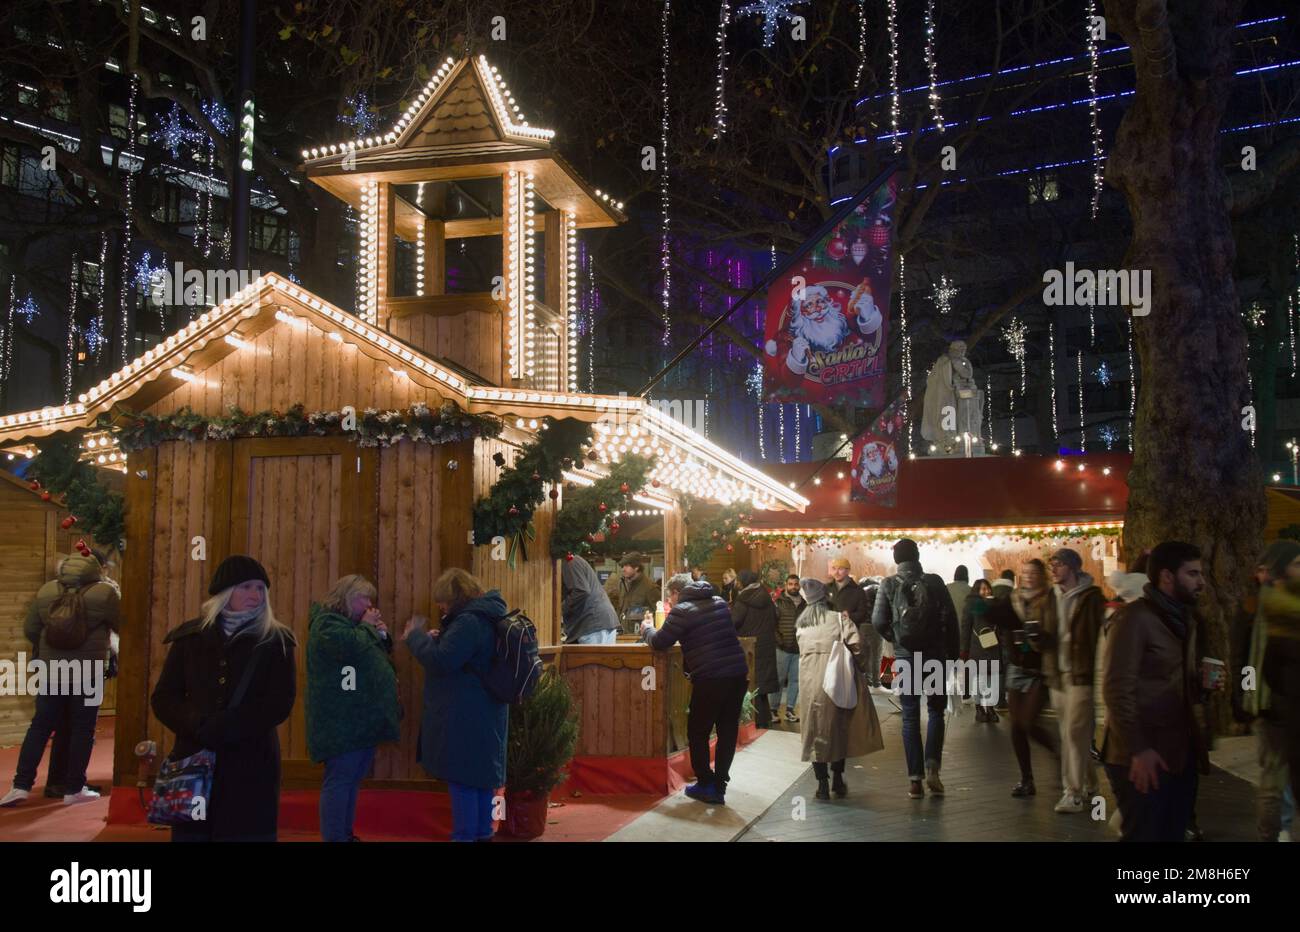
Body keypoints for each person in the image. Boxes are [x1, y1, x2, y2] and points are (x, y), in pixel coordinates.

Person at [150, 555, 296, 841]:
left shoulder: (277, 641)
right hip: (195, 759)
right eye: (245, 587)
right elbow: (164, 697)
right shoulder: (189, 637)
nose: (255, 595)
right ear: (225, 592)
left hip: (251, 765)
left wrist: (231, 725)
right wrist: (197, 723)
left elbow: (279, 703)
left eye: (260, 588)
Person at [1101, 541, 1212, 842]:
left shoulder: (1184, 618)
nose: (1201, 582)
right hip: (1139, 754)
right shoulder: (1134, 618)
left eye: (1200, 574)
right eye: (1192, 574)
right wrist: (1139, 749)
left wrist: (1201, 684)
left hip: (1177, 750)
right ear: (1167, 577)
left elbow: (1172, 679)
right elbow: (1116, 688)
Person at [1, 553, 120, 808]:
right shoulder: (105, 593)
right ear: (95, 569)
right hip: (87, 672)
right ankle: (73, 789)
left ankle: (20, 785)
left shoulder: (46, 590)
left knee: (40, 726)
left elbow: (31, 629)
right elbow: (123, 625)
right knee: (82, 729)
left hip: (51, 669)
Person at [403, 569, 507, 842]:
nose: (441, 606)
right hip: (486, 708)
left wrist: (416, 637)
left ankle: (464, 836)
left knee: (462, 780)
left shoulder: (469, 622)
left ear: (457, 597)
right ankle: (483, 834)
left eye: (444, 602)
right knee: (482, 780)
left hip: (465, 711)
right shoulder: (488, 614)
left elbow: (442, 662)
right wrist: (442, 639)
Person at [306, 574, 399, 842]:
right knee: (340, 781)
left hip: (357, 720)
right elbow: (349, 648)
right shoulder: (327, 625)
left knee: (351, 780)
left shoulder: (352, 625)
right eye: (363, 598)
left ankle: (345, 835)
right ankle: (335, 837)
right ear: (346, 597)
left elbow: (368, 656)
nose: (369, 605)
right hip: (340, 722)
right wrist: (369, 628)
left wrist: (381, 635)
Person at [642, 574, 748, 805]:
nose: (669, 602)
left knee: (698, 731)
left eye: (670, 597)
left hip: (711, 677)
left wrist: (646, 629)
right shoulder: (719, 602)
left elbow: (660, 641)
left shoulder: (682, 610)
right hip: (737, 673)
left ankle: (705, 784)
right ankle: (719, 786)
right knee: (727, 731)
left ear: (677, 593)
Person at [872, 538, 959, 799]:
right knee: (935, 710)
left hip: (906, 658)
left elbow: (878, 621)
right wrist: (952, 655)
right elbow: (951, 619)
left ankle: (914, 780)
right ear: (918, 555)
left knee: (910, 716)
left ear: (897, 559)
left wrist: (897, 638)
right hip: (934, 657)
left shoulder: (888, 584)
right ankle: (933, 766)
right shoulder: (934, 582)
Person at [795, 578, 884, 799]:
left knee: (815, 731)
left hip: (808, 685)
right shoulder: (839, 620)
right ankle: (837, 779)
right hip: (836, 681)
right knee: (838, 728)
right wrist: (861, 668)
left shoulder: (801, 626)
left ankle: (821, 785)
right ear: (826, 599)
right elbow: (858, 646)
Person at [1042, 548, 1105, 814]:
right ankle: (1091, 782)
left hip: (1082, 674)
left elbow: (1098, 637)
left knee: (1074, 733)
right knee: (1072, 734)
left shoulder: (1092, 598)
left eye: (1059, 564)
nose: (1054, 569)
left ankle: (1073, 793)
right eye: (1052, 565)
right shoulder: (1051, 597)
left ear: (1073, 567)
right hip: (1058, 674)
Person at [996, 559, 1058, 798]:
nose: (1029, 576)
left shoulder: (1051, 599)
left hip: (1040, 667)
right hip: (1017, 665)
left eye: (1033, 572)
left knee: (1028, 722)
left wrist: (1042, 637)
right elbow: (1002, 624)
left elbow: (1058, 631)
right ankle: (1026, 778)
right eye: (1025, 573)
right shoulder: (1014, 599)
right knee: (1016, 726)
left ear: (1042, 575)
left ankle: (1056, 753)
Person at [1258, 540, 1300, 823]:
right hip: (1282, 706)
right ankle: (1277, 830)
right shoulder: (1266, 608)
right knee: (1277, 779)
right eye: (1297, 564)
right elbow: (1263, 662)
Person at [732, 570, 779, 728]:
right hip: (766, 645)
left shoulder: (743, 599)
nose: (736, 583)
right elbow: (775, 617)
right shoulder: (765, 597)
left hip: (749, 646)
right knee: (761, 685)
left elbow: (734, 621)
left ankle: (752, 721)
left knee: (751, 683)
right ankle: (764, 719)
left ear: (743, 581)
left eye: (738, 580)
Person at [829, 557, 882, 688]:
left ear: (847, 571)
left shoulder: (858, 591)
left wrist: (850, 615)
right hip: (830, 634)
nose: (837, 572)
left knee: (850, 668)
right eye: (834, 568)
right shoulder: (826, 589)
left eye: (840, 569)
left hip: (850, 635)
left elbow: (863, 613)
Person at [959, 578, 1001, 723]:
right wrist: (964, 651)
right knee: (978, 680)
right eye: (982, 589)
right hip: (976, 648)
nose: (986, 591)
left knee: (991, 679)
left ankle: (990, 707)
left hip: (993, 647)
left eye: (988, 588)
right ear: (976, 591)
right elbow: (965, 628)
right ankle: (979, 709)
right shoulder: (971, 606)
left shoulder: (996, 604)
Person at [561, 555, 621, 645]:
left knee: (593, 659)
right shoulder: (573, 561)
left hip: (592, 624)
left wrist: (560, 608)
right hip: (602, 622)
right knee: (603, 659)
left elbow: (581, 591)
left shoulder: (569, 561)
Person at [773, 574, 804, 723]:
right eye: (790, 584)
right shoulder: (778, 602)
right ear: (786, 585)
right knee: (778, 679)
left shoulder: (804, 604)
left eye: (796, 584)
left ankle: (790, 709)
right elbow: (772, 625)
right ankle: (773, 709)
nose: (793, 587)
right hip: (782, 648)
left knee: (795, 680)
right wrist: (780, 641)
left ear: (799, 586)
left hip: (798, 648)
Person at [605, 552, 661, 634]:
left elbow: (658, 614)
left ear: (636, 567)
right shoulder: (623, 584)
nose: (623, 569)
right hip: (622, 635)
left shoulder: (650, 588)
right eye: (622, 566)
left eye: (627, 566)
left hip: (639, 638)